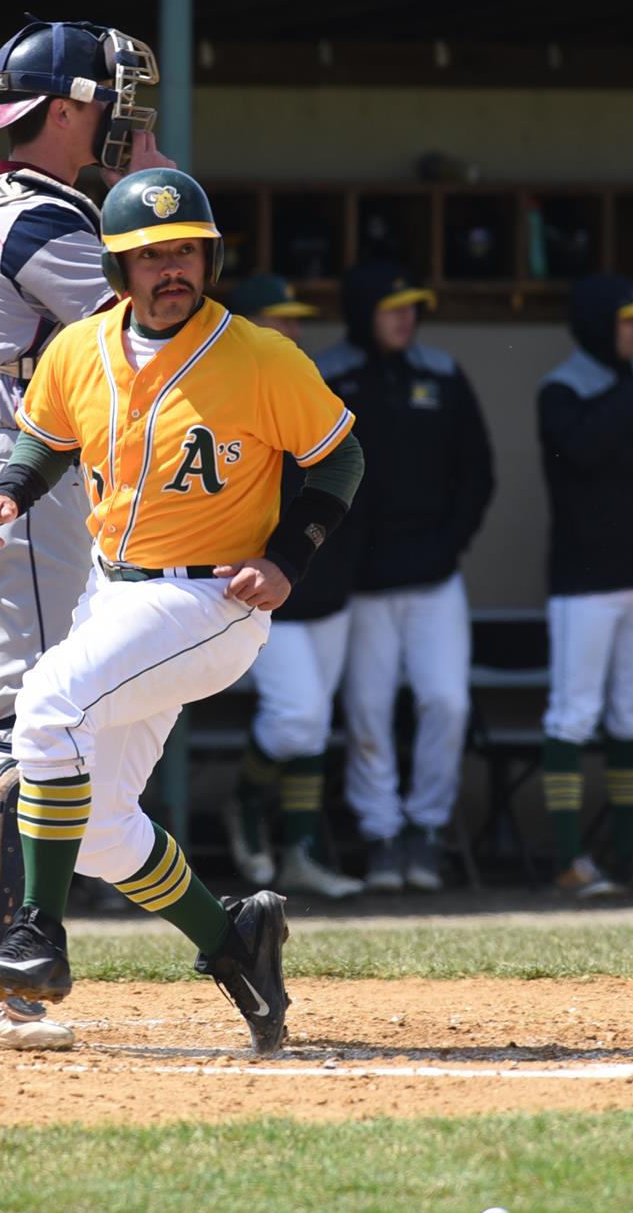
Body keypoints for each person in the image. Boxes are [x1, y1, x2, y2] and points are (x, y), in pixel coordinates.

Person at [0, 168, 362, 1058]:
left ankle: (37, 934)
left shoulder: (259, 355)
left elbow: (339, 460)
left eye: (183, 250)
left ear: (207, 256)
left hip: (210, 596)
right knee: (101, 826)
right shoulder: (81, 347)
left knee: (48, 704)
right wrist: (8, 492)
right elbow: (45, 437)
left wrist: (287, 557)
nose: (169, 268)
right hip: (118, 591)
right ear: (118, 269)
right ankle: (236, 944)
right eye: (149, 256)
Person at [0, 17, 169, 1051]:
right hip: (13, 483)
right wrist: (156, 205)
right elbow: (161, 320)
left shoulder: (28, 207)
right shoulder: (33, 220)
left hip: (4, 481)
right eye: (106, 108)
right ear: (61, 111)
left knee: (23, 724)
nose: (118, 126)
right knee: (10, 727)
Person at [325, 263, 494, 893]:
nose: (405, 318)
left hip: (434, 578)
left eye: (413, 307)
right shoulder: (331, 375)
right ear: (363, 310)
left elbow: (477, 473)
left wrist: (449, 545)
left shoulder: (442, 374)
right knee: (367, 711)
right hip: (362, 583)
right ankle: (381, 834)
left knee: (445, 700)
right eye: (392, 306)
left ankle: (427, 829)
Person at [535, 275, 633, 899]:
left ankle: (632, 854)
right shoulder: (563, 390)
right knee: (573, 715)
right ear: (600, 325)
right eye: (628, 320)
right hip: (584, 584)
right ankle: (571, 859)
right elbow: (586, 449)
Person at [220, 275, 366, 900]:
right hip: (256, 581)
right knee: (298, 715)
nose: (294, 331)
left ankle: (299, 853)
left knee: (314, 721)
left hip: (320, 578)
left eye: (298, 320)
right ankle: (245, 801)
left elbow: (344, 471)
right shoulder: (225, 388)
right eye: (279, 319)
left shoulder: (310, 385)